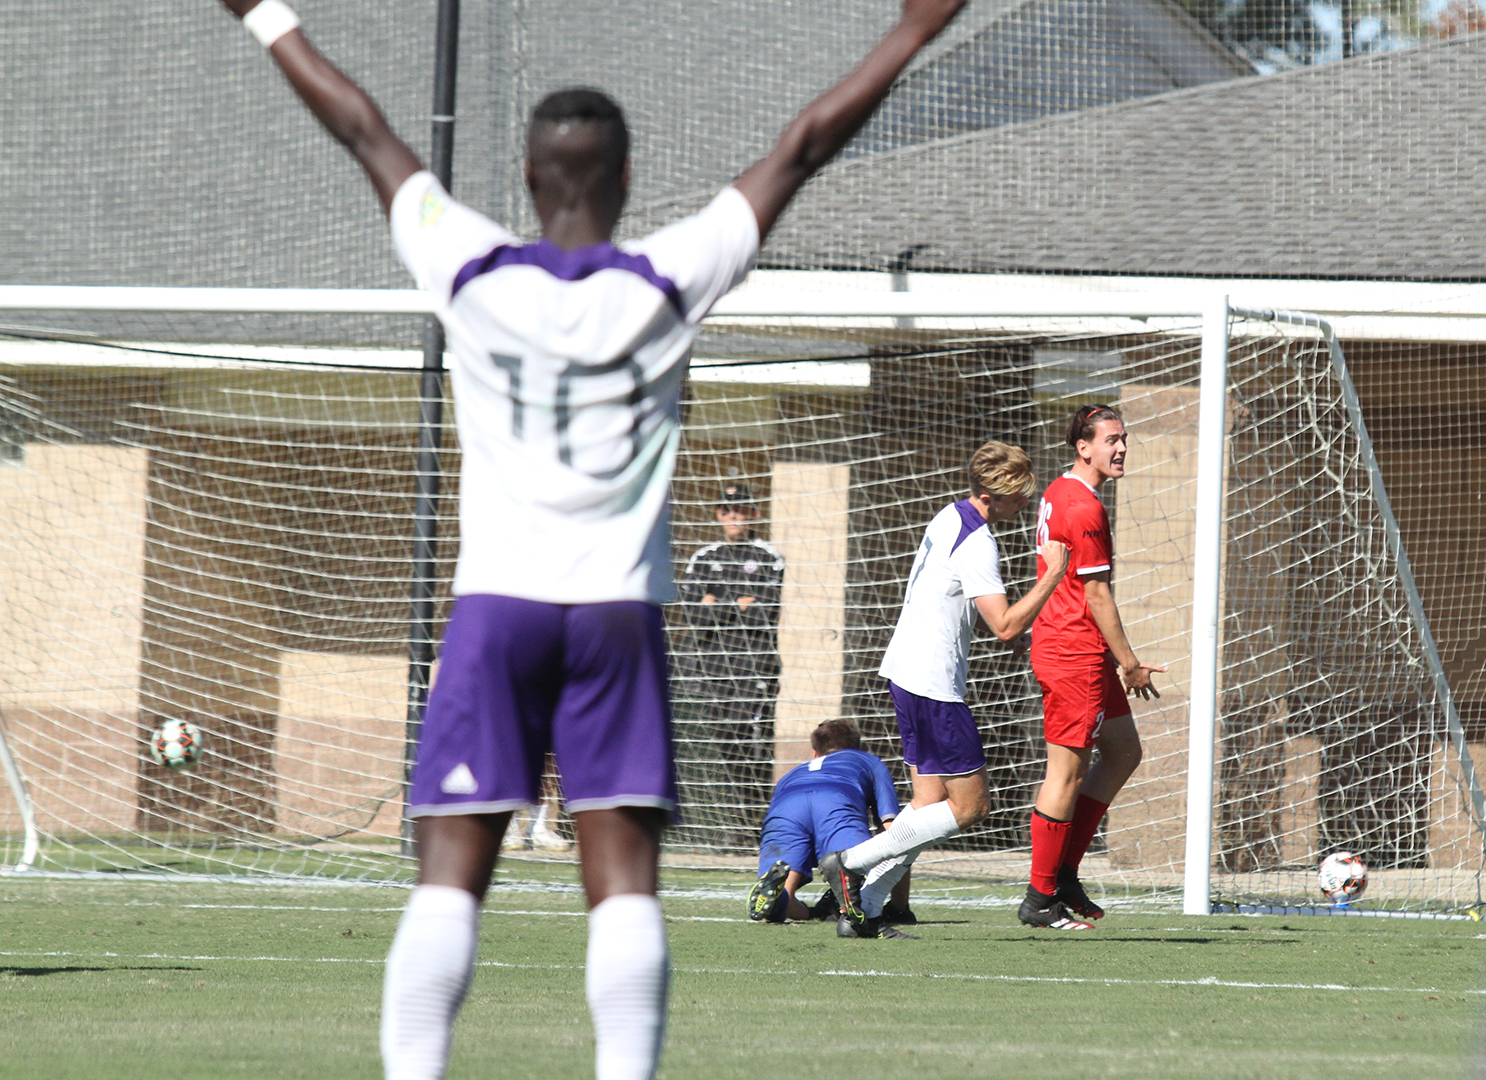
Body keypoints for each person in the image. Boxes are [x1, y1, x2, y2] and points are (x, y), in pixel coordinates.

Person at [206, 0, 968, 1075]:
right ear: (620, 182)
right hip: (616, 617)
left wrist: (264, 13)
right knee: (620, 881)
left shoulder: (468, 268)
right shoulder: (664, 280)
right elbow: (802, 143)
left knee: (450, 880)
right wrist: (910, 29)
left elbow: (366, 131)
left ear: (526, 179)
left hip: (495, 613)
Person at [816, 442, 1070, 933]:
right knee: (971, 805)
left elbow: (952, 596)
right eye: (1017, 498)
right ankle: (848, 863)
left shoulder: (949, 515)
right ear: (988, 495)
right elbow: (1006, 625)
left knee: (928, 803)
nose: (1024, 506)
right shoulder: (979, 542)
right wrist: (1053, 576)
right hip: (933, 685)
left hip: (907, 673)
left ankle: (865, 908)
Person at [1019, 405, 1166, 931]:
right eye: (1110, 440)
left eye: (1124, 438)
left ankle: (1065, 872)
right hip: (1074, 651)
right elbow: (1097, 594)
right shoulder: (1083, 507)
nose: (1121, 448)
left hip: (1084, 648)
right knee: (1067, 772)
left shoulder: (1061, 491)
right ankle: (1041, 897)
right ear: (1083, 447)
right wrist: (1130, 663)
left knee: (1124, 750)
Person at [682, 482, 784, 832]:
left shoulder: (769, 556)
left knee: (751, 738)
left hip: (754, 665)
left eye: (740, 508)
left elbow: (764, 613)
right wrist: (738, 604)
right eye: (726, 510)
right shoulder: (703, 557)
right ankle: (729, 820)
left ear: (754, 513)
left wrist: (716, 603)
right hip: (712, 666)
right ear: (718, 515)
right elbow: (693, 615)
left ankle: (754, 819)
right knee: (721, 738)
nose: (733, 515)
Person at [747, 720, 900, 935]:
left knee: (784, 887)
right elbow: (892, 828)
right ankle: (854, 906)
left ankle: (783, 901)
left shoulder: (792, 773)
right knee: (858, 877)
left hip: (787, 807)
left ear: (814, 752)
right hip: (836, 802)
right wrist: (901, 907)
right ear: (857, 747)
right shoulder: (869, 761)